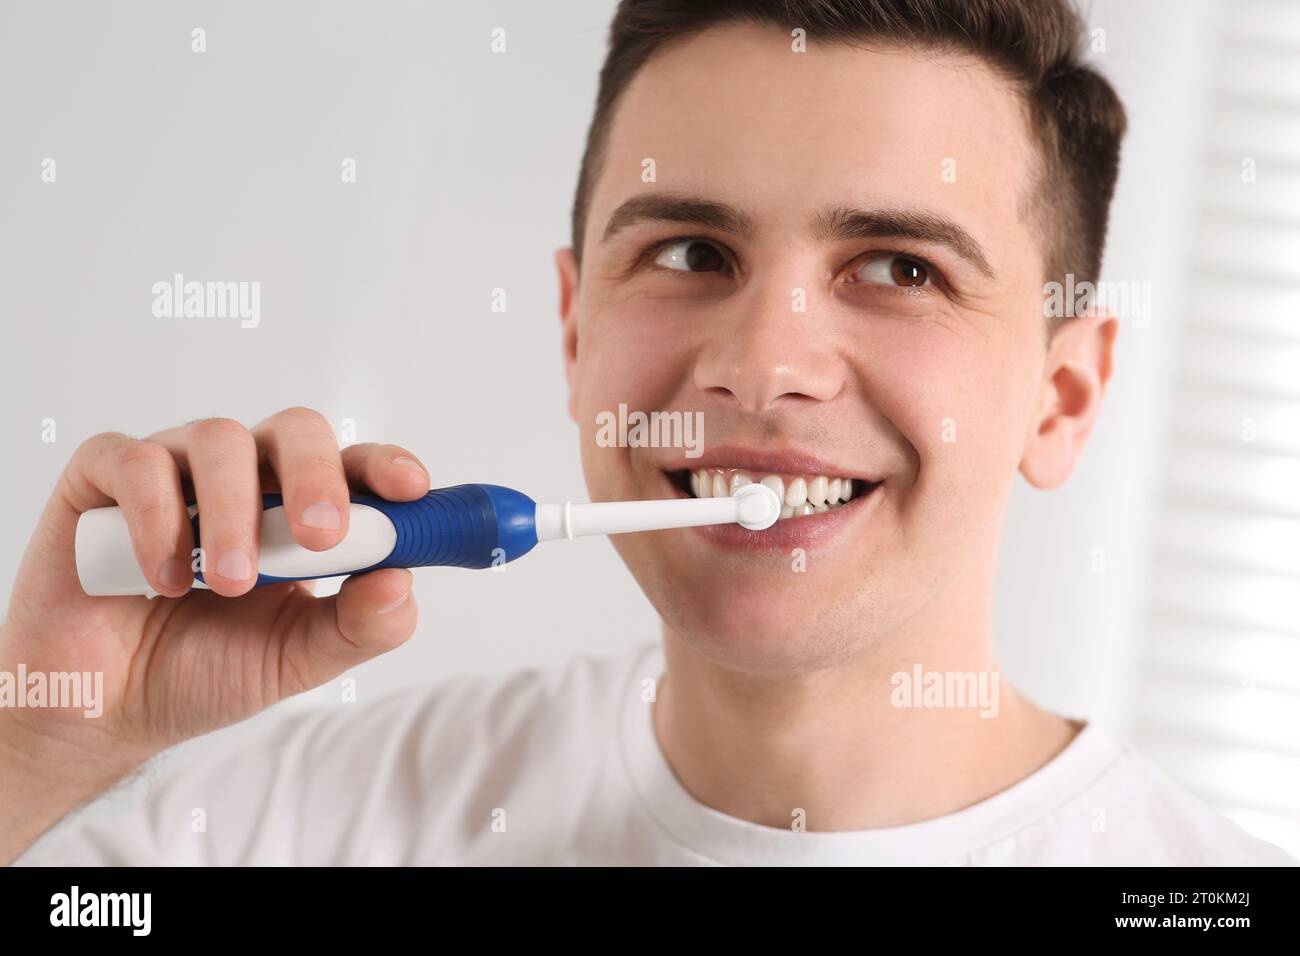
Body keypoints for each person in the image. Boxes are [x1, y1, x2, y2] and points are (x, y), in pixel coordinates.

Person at [3, 0, 1291, 866]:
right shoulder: (288, 831)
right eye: (690, 250)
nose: (763, 366)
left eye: (900, 269)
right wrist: (48, 734)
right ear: (575, 334)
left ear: (1061, 397)